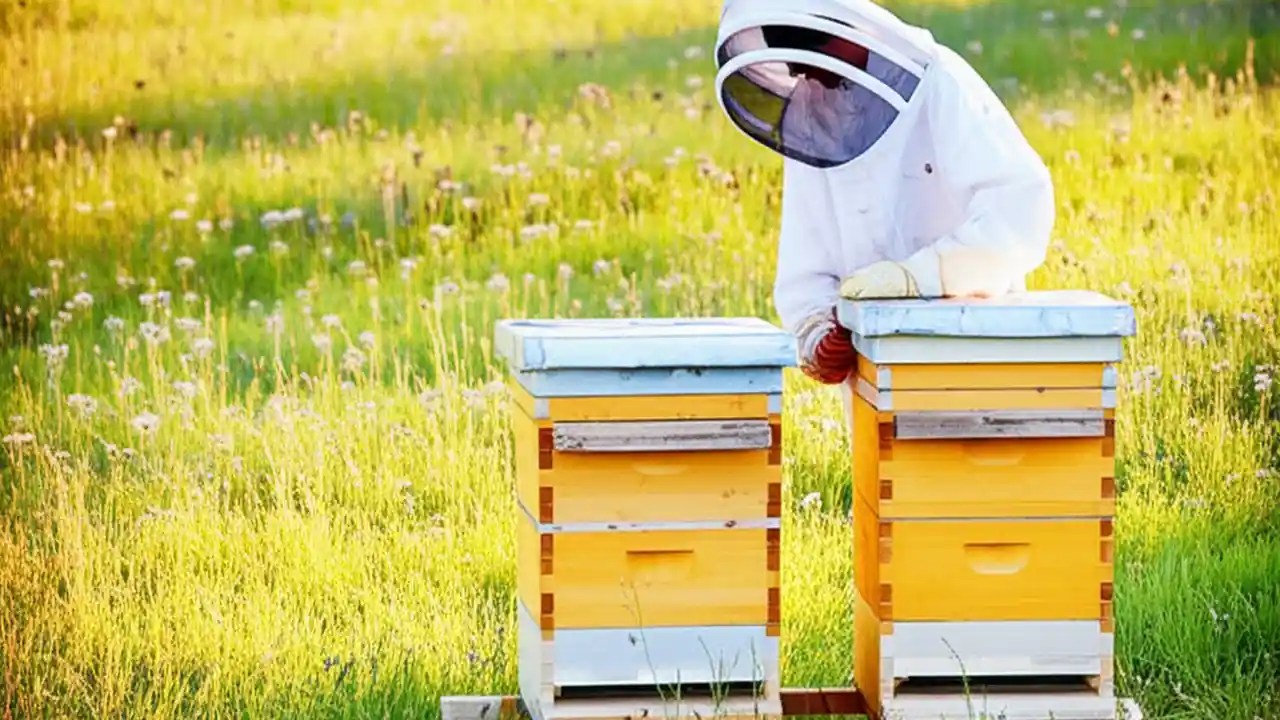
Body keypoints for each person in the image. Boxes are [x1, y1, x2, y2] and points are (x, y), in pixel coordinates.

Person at [713, 0, 1055, 386]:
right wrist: (817, 331)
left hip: (975, 341)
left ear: (845, 27)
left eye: (806, 53)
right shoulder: (814, 115)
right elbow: (805, 260)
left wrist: (923, 277)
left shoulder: (941, 82)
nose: (797, 72)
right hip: (874, 367)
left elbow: (1018, 207)